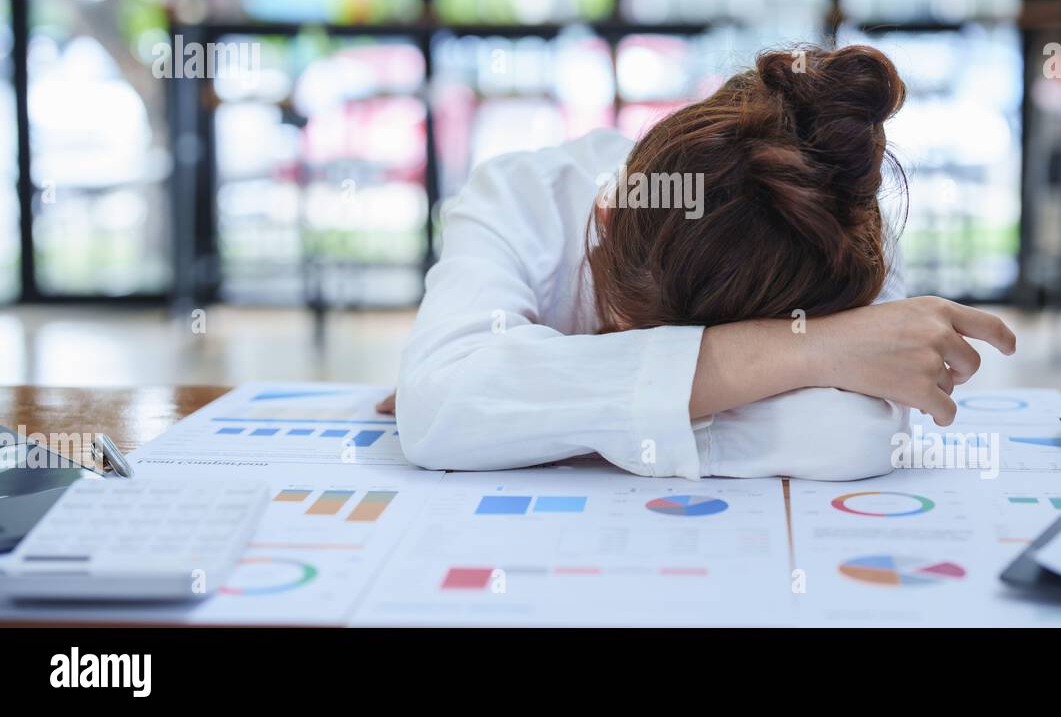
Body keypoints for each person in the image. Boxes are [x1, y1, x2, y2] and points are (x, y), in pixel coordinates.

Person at [386, 44, 1015, 480]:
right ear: (605, 220)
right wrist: (807, 353)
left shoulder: (832, 230)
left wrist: (531, 413)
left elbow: (853, 432)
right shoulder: (521, 195)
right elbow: (440, 400)